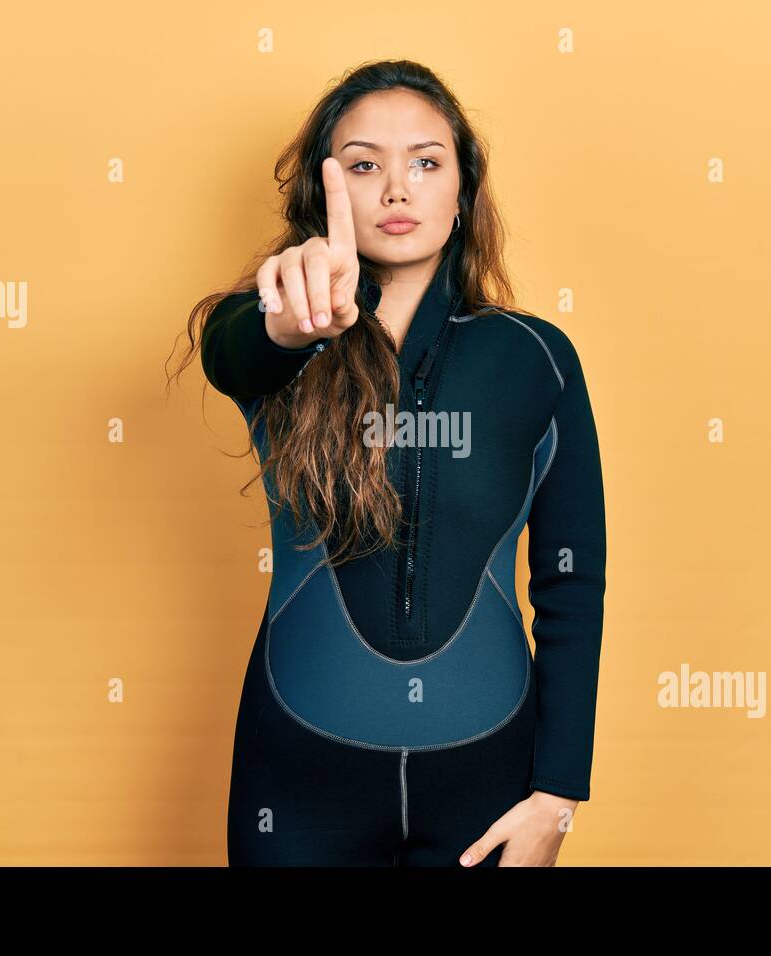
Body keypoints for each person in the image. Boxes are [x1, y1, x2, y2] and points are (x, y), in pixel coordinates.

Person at [168, 59, 606, 866]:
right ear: (324, 192)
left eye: (426, 162)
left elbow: (571, 583)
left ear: (463, 190)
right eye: (365, 165)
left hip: (489, 784)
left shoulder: (538, 358)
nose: (396, 190)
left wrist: (558, 795)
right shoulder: (277, 332)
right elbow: (231, 353)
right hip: (296, 780)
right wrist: (294, 323)